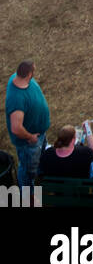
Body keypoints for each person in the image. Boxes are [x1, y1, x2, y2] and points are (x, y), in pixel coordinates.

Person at [5, 61, 51, 189]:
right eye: (33, 71)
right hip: (29, 142)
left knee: (39, 158)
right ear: (29, 74)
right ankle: (27, 195)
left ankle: (40, 172)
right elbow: (16, 128)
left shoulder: (19, 77)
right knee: (27, 170)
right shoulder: (17, 99)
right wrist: (30, 137)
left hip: (40, 132)